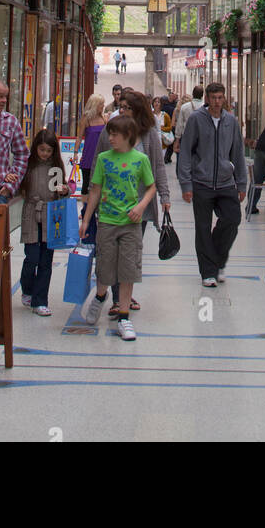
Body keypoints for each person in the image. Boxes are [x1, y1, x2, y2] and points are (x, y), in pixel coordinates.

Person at [93, 89, 171, 315]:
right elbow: (97, 161)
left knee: (129, 251)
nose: (122, 111)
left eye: (127, 108)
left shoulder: (148, 135)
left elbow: (158, 167)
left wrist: (165, 196)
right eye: (121, 106)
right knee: (112, 251)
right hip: (111, 204)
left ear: (138, 111)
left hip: (139, 206)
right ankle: (117, 297)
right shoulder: (111, 132)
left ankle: (121, 299)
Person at [80, 114, 156, 341]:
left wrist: (141, 206)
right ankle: (100, 296)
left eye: (114, 134)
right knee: (105, 266)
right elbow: (95, 189)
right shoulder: (104, 159)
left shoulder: (140, 159)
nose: (110, 138)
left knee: (128, 271)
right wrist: (86, 220)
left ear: (128, 136)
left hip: (130, 224)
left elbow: (151, 187)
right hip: (106, 222)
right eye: (109, 133)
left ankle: (124, 317)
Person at [178, 82, 247, 286]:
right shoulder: (196, 119)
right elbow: (186, 152)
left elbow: (238, 153)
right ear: (207, 98)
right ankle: (208, 272)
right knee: (203, 227)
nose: (217, 102)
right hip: (202, 181)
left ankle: (217, 260)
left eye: (220, 97)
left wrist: (241, 183)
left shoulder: (231, 121)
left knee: (232, 220)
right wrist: (186, 184)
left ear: (224, 98)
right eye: (213, 98)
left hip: (226, 182)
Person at [19, 129, 71, 316]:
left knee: (46, 261)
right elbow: (20, 189)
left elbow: (58, 191)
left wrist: (64, 190)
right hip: (32, 214)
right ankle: (27, 288)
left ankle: (40, 301)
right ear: (35, 148)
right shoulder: (28, 166)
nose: (45, 154)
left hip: (51, 216)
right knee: (31, 257)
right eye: (42, 150)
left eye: (49, 151)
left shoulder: (55, 168)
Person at [74, 94, 106, 195]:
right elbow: (79, 136)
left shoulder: (104, 118)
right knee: (86, 184)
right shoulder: (86, 118)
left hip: (101, 154)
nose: (103, 106)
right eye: (101, 104)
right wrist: (75, 152)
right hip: (89, 154)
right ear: (95, 105)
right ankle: (86, 208)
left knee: (101, 184)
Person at [173, 85, 203, 165]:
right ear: (202, 95)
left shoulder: (185, 107)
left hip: (186, 136)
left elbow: (180, 125)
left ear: (193, 94)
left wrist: (177, 140)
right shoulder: (206, 107)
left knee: (185, 159)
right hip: (202, 137)